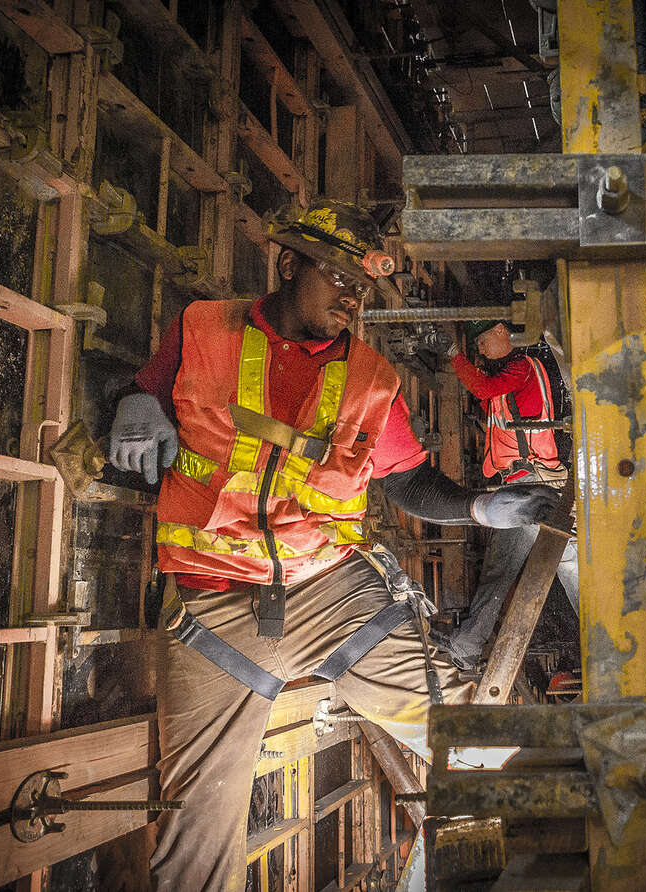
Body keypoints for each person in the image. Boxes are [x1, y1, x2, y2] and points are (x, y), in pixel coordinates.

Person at [105, 199, 556, 890]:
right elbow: (149, 386)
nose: (352, 300)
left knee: (472, 733)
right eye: (340, 280)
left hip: (332, 595)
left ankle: (587, 821)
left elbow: (407, 483)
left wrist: (480, 507)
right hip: (212, 607)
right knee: (195, 834)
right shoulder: (202, 329)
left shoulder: (372, 378)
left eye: (363, 290)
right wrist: (132, 401)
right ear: (289, 264)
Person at [439, 319, 579, 671]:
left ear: (503, 331)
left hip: (529, 489)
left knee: (500, 571)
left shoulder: (521, 368)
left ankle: (466, 648)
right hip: (544, 488)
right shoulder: (514, 376)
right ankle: (603, 642)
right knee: (571, 569)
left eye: (484, 340)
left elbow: (483, 389)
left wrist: (453, 354)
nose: (481, 349)